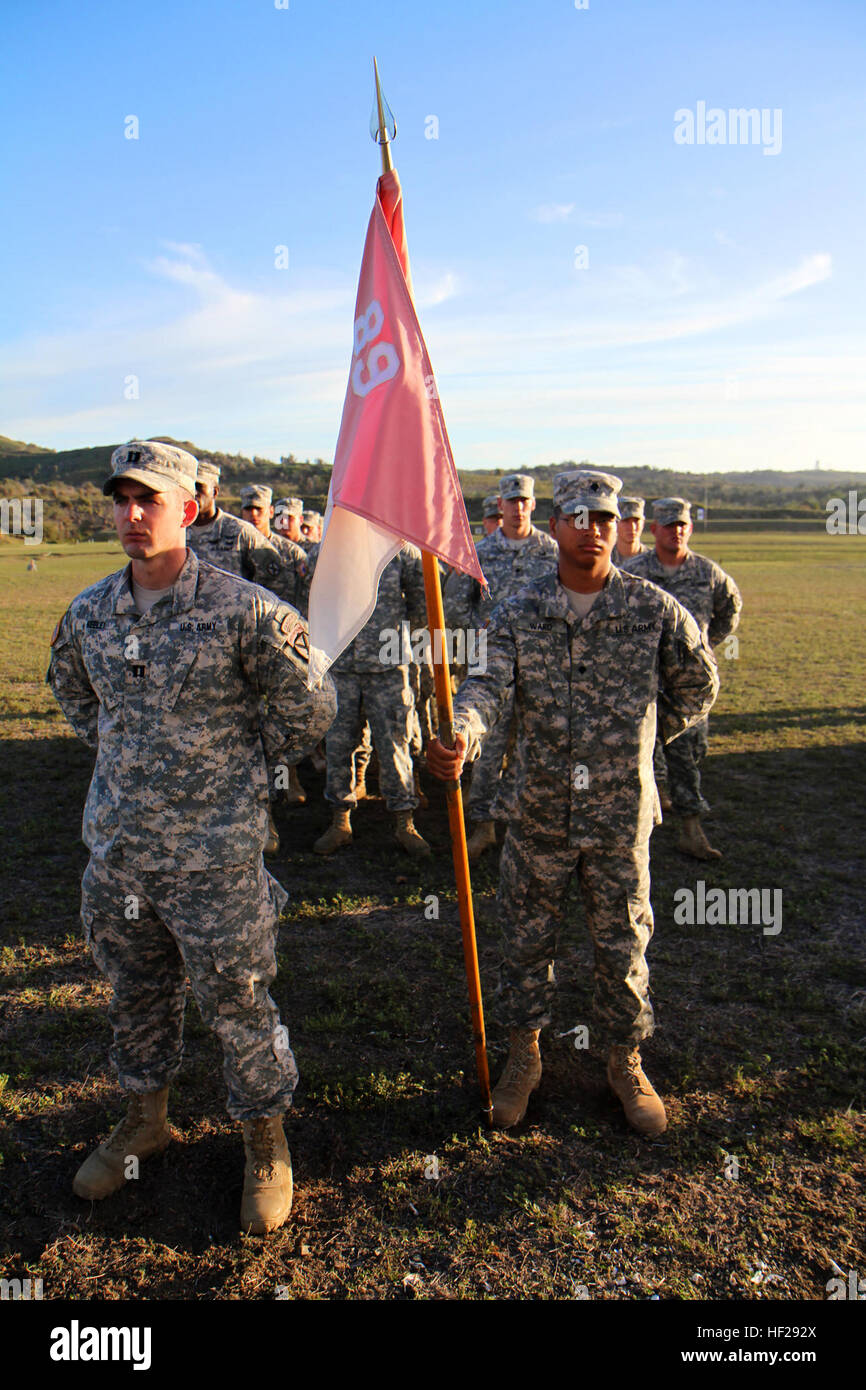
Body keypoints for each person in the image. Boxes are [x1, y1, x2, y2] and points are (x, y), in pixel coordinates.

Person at [47, 440, 336, 1234]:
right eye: (122, 499)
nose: (133, 514)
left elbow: (309, 710)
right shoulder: (91, 612)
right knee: (135, 994)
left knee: (238, 999)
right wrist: (131, 763)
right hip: (120, 855)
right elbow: (76, 697)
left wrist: (233, 769)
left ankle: (264, 1141)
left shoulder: (245, 610)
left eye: (150, 499)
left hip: (215, 860)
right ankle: (146, 1121)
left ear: (191, 507)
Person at [428, 469, 718, 1135]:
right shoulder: (519, 610)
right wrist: (463, 738)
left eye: (606, 520)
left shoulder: (653, 609)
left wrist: (643, 737)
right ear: (556, 525)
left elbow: (698, 685)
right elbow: (486, 688)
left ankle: (624, 1060)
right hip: (538, 810)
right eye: (579, 518)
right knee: (527, 940)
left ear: (620, 528)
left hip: (619, 817)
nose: (592, 531)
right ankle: (524, 1057)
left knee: (622, 944)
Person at [443, 473, 558, 861]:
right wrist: (483, 637)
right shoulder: (479, 552)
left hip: (540, 669)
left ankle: (524, 824)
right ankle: (484, 826)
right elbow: (456, 603)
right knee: (487, 750)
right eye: (512, 501)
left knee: (535, 748)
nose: (518, 507)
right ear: (501, 504)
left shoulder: (551, 552)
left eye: (524, 500)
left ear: (533, 504)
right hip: (491, 666)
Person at [621, 498, 742, 860]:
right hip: (644, 677)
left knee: (689, 754)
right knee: (634, 751)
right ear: (654, 529)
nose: (677, 531)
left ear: (689, 528)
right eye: (669, 524)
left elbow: (729, 612)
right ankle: (636, 826)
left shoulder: (708, 573)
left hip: (687, 683)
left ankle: (690, 831)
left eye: (683, 525)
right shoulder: (635, 570)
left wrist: (702, 647)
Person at [308, 541, 432, 858]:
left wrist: (412, 655)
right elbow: (311, 601)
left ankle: (405, 822)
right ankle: (341, 821)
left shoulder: (402, 552)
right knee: (339, 744)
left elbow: (421, 607)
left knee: (395, 745)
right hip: (341, 663)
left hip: (389, 665)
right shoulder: (329, 548)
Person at [187, 460, 286, 592]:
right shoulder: (175, 531)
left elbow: (275, 577)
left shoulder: (239, 532)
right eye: (189, 487)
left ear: (215, 492)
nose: (194, 493)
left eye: (199, 487)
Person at [614, 496, 649, 564]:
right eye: (625, 521)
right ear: (615, 523)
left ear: (643, 523)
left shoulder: (654, 561)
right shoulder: (605, 559)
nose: (632, 527)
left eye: (636, 521)